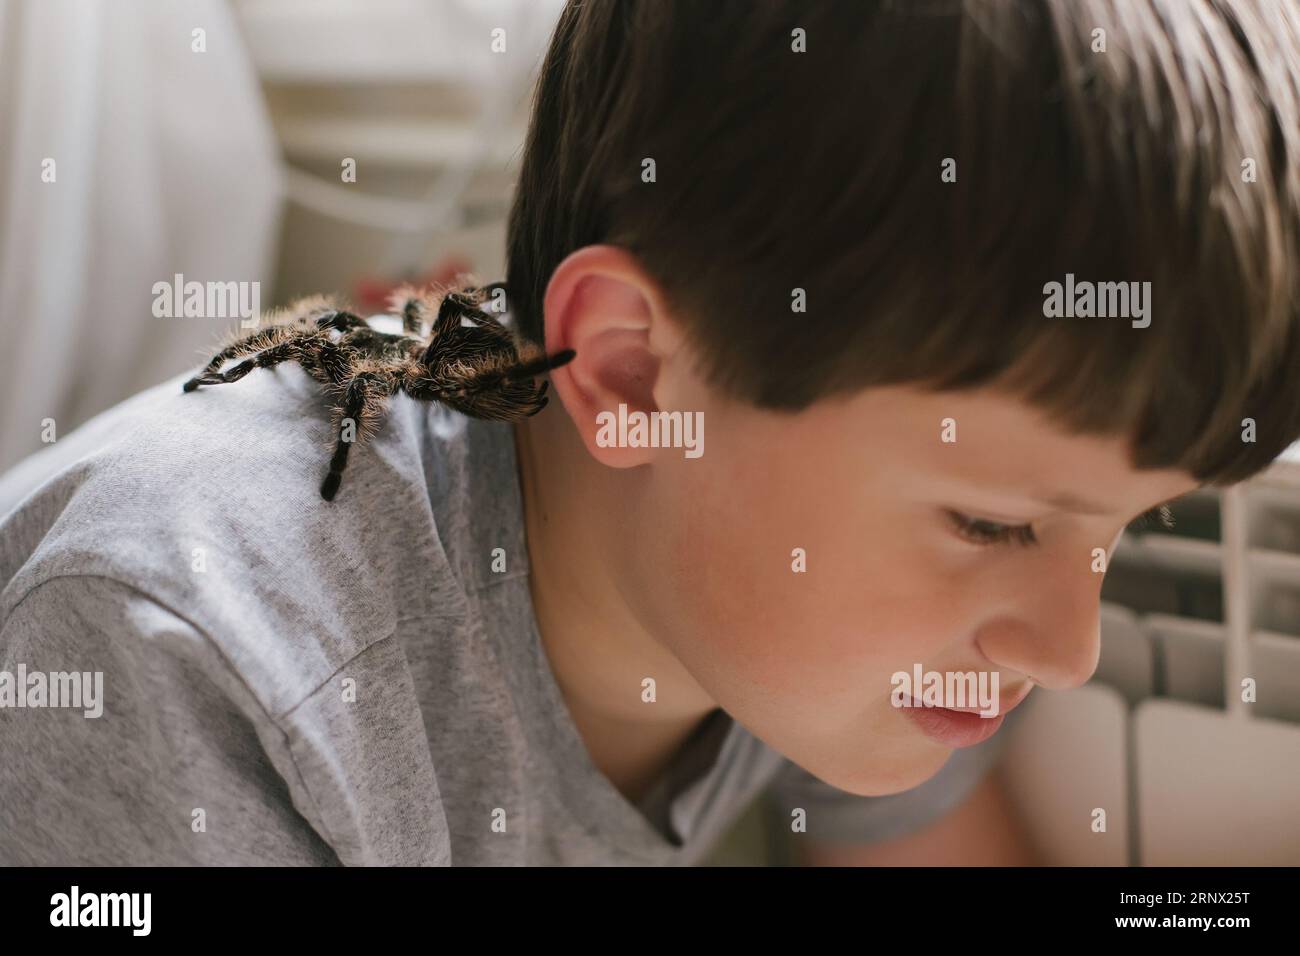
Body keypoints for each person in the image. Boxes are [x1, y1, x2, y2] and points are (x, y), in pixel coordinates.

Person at [2, 0, 1298, 865]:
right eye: (997, 523)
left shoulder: (791, 612)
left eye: (1123, 532)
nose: (1067, 648)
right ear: (630, 377)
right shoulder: (187, 658)